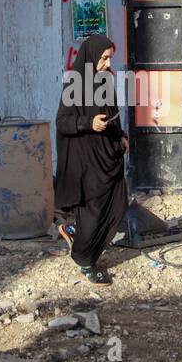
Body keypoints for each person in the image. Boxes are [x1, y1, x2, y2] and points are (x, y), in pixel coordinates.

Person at [54, 34, 128, 287]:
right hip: (86, 159)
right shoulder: (75, 85)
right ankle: (85, 261)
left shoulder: (105, 80)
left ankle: (79, 238)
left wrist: (121, 135)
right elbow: (62, 122)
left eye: (109, 58)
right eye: (104, 58)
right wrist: (88, 123)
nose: (107, 64)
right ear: (91, 56)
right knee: (93, 212)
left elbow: (112, 112)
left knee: (117, 205)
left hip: (108, 154)